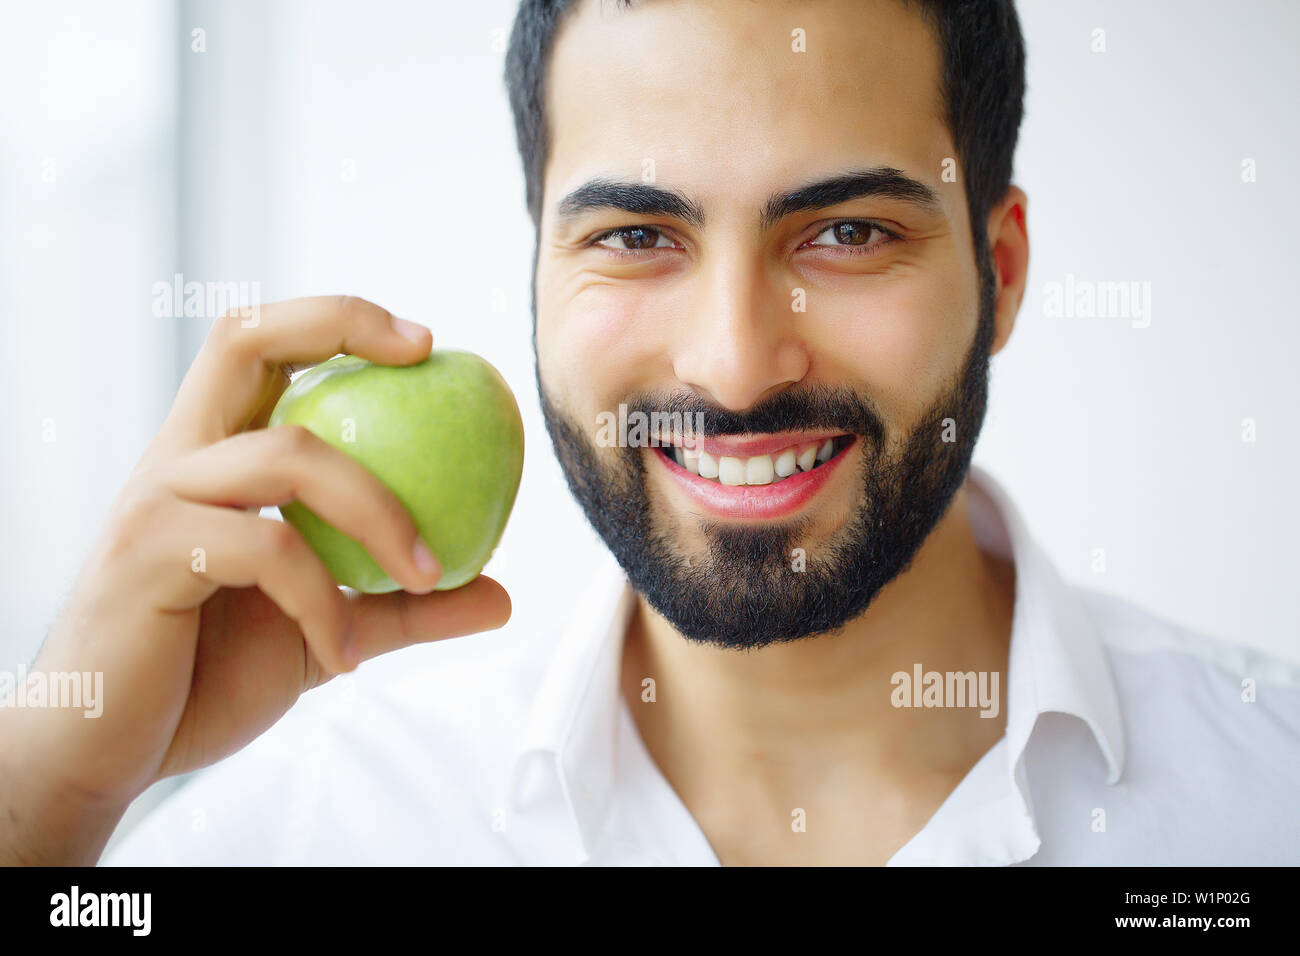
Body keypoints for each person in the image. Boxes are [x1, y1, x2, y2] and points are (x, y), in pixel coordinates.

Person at [4, 0, 1298, 866]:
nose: (734, 366)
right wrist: (48, 798)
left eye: (846, 233)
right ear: (538, 270)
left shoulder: (1266, 796)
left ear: (1000, 274)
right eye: (636, 238)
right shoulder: (320, 828)